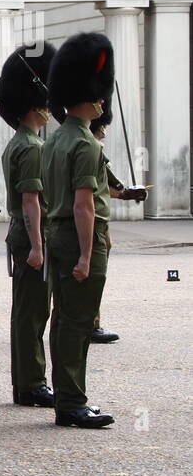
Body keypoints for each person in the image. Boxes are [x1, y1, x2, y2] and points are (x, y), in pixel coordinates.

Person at [42, 32, 119, 430]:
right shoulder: (86, 145)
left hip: (58, 233)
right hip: (78, 237)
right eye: (98, 94)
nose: (102, 101)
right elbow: (84, 204)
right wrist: (89, 255)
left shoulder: (54, 140)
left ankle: (67, 396)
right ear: (85, 96)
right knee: (78, 322)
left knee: (63, 319)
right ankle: (72, 402)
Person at [0, 43, 58, 409]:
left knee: (27, 313)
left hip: (21, 231)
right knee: (33, 314)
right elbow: (32, 199)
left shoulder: (18, 143)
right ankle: (32, 383)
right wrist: (38, 245)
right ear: (36, 105)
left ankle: (27, 383)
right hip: (31, 234)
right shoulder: (32, 147)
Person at [86, 98, 148, 344]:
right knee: (92, 274)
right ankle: (89, 323)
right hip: (92, 220)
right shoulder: (92, 148)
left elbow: (106, 186)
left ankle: (83, 321)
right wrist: (127, 192)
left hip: (86, 219)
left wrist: (126, 193)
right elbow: (109, 186)